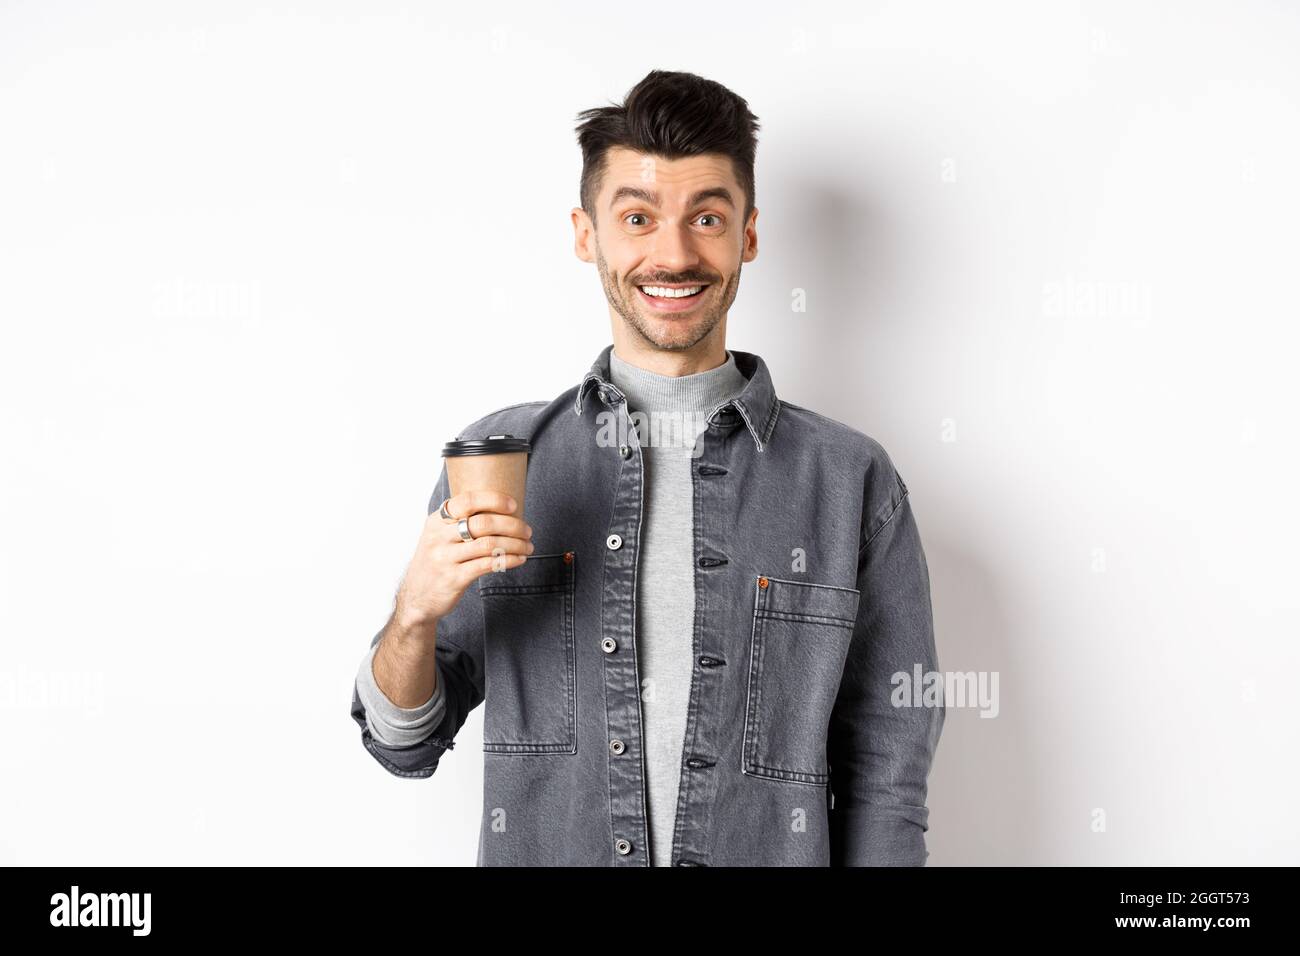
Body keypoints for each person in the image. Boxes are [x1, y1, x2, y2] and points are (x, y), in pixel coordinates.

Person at [350, 69, 943, 866]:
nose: (673, 253)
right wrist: (415, 612)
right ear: (586, 233)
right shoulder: (499, 460)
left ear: (749, 235)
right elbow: (404, 745)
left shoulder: (849, 482)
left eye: (707, 217)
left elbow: (889, 774)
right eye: (638, 217)